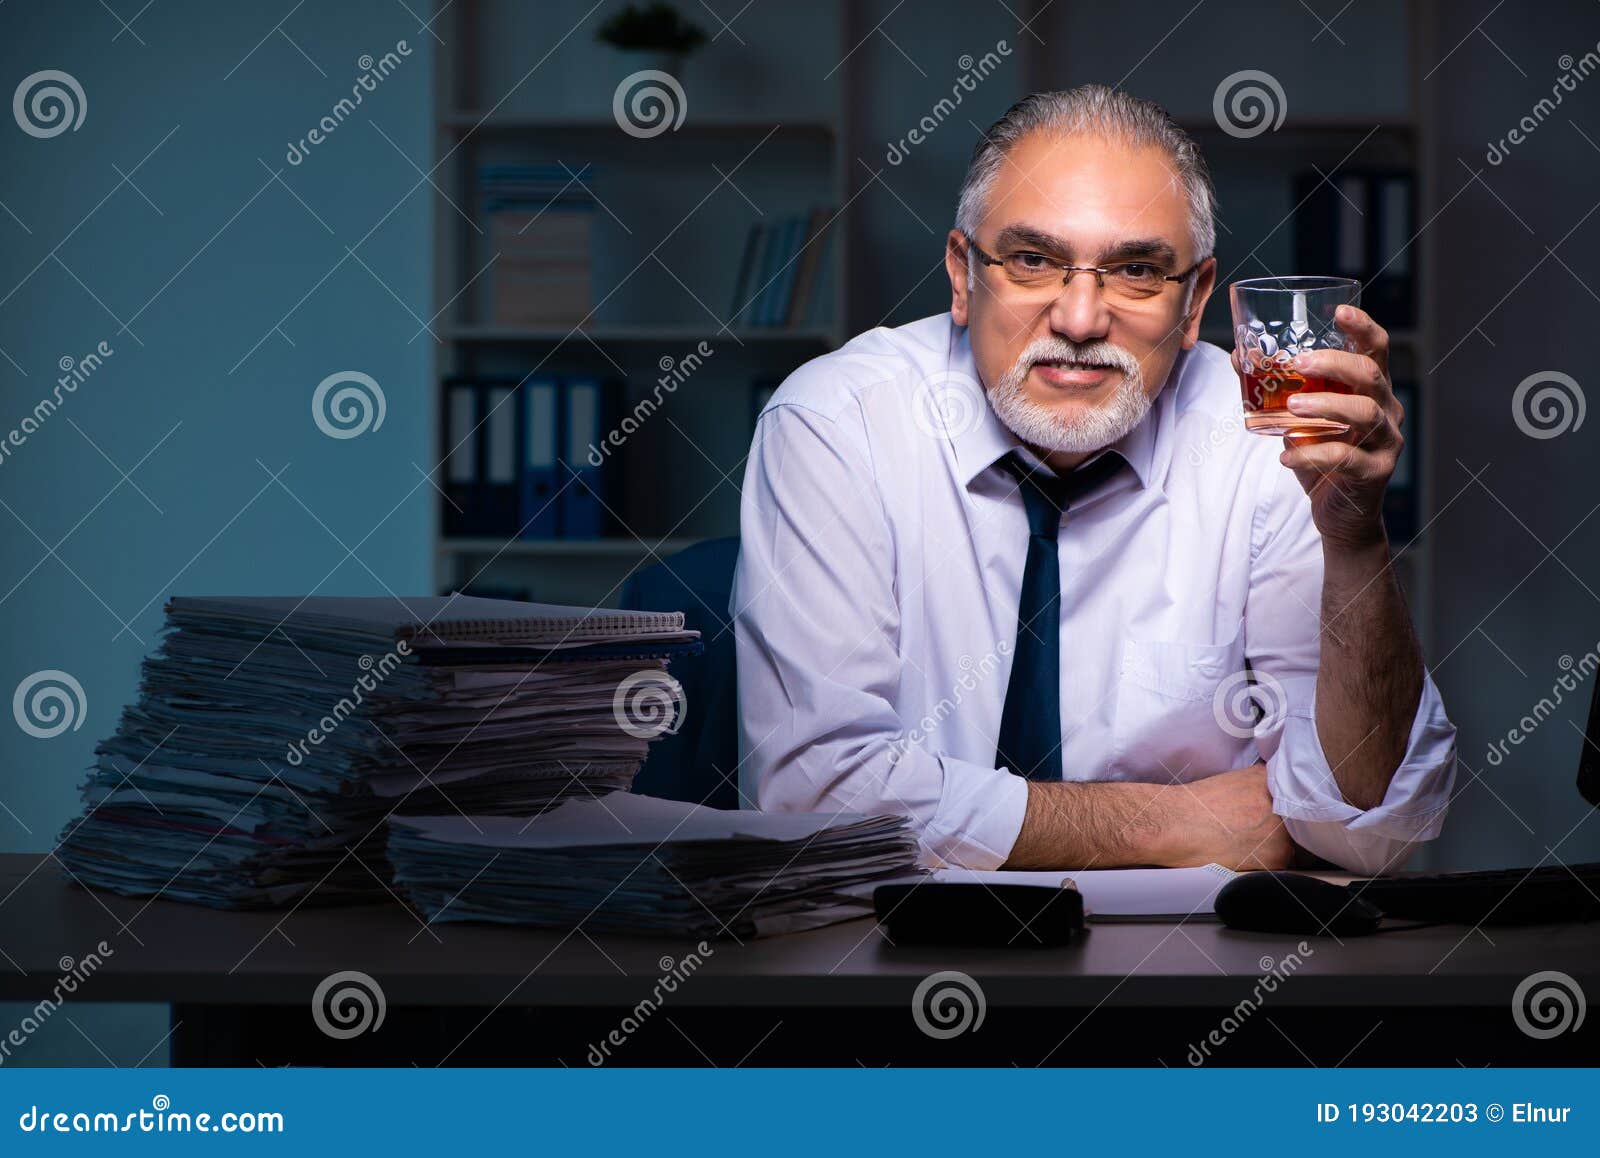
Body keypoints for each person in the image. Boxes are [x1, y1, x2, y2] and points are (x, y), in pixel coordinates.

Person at [732, 86, 1455, 874]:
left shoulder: (1269, 436)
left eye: (1137, 269)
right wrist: (1169, 822)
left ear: (1194, 303)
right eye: (1033, 260)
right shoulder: (840, 423)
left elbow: (1369, 828)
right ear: (961, 276)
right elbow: (811, 799)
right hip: (887, 962)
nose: (1079, 320)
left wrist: (1355, 541)